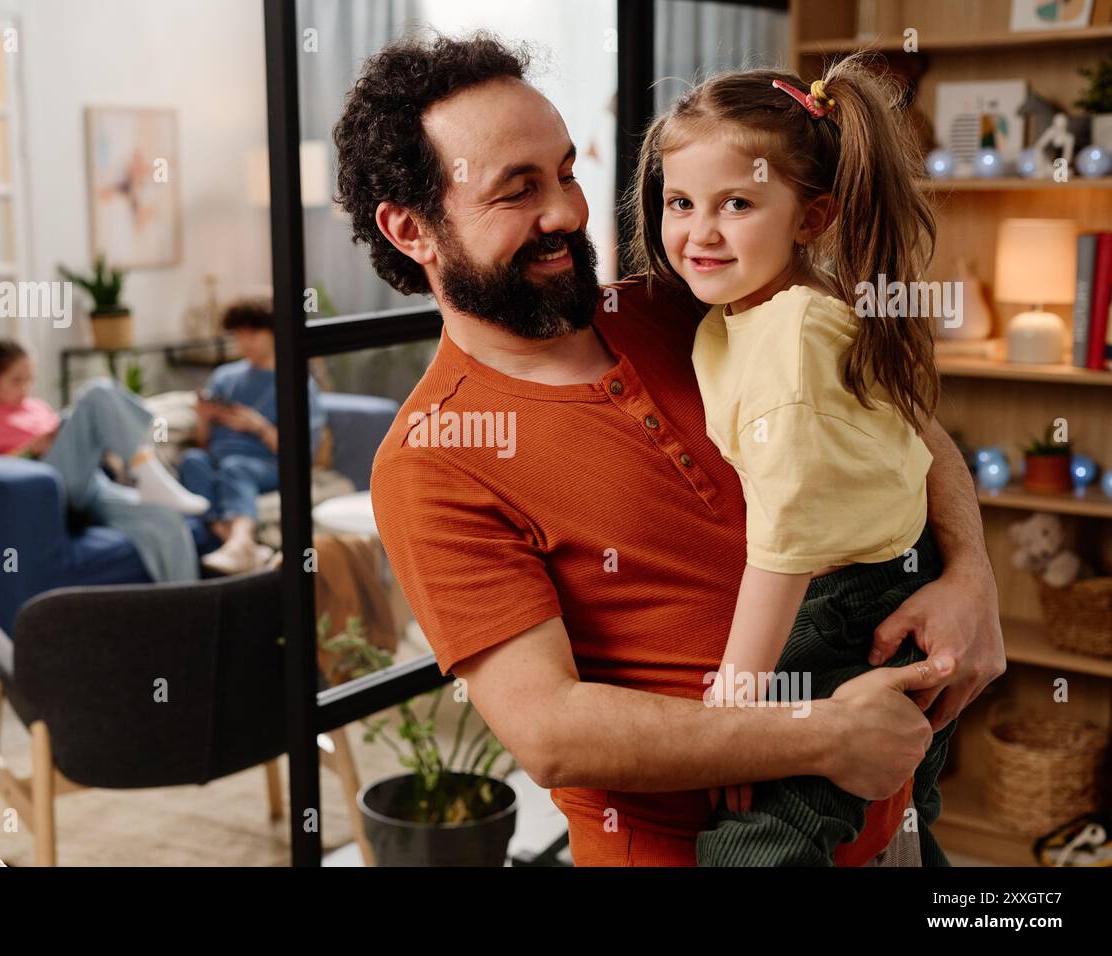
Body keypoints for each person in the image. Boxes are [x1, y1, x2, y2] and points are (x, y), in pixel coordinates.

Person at [334, 32, 1006, 866]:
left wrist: (969, 576)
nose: (570, 213)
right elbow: (552, 731)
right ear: (412, 230)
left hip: (892, 821)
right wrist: (816, 736)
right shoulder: (431, 459)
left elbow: (899, 421)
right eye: (519, 192)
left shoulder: (692, 301)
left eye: (567, 173)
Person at [630, 57, 954, 866]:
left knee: (759, 845)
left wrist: (734, 709)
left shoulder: (794, 337)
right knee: (892, 821)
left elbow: (785, 536)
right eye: (680, 203)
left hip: (849, 610)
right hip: (872, 581)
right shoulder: (756, 308)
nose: (698, 232)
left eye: (736, 204)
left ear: (811, 219)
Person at [0, 339, 208, 584]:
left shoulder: (35, 406)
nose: (25, 389)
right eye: (16, 381)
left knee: (166, 517)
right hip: (47, 488)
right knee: (97, 393)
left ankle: (190, 615)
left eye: (30, 379)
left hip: (88, 484)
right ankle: (147, 471)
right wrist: (31, 450)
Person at [180, 299, 326, 575]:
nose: (244, 342)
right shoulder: (223, 377)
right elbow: (203, 445)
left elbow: (302, 455)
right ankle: (240, 544)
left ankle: (239, 542)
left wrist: (258, 426)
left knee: (235, 467)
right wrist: (203, 417)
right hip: (220, 461)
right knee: (192, 460)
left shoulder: (297, 383)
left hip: (267, 465)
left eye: (252, 333)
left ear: (274, 332)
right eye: (238, 334)